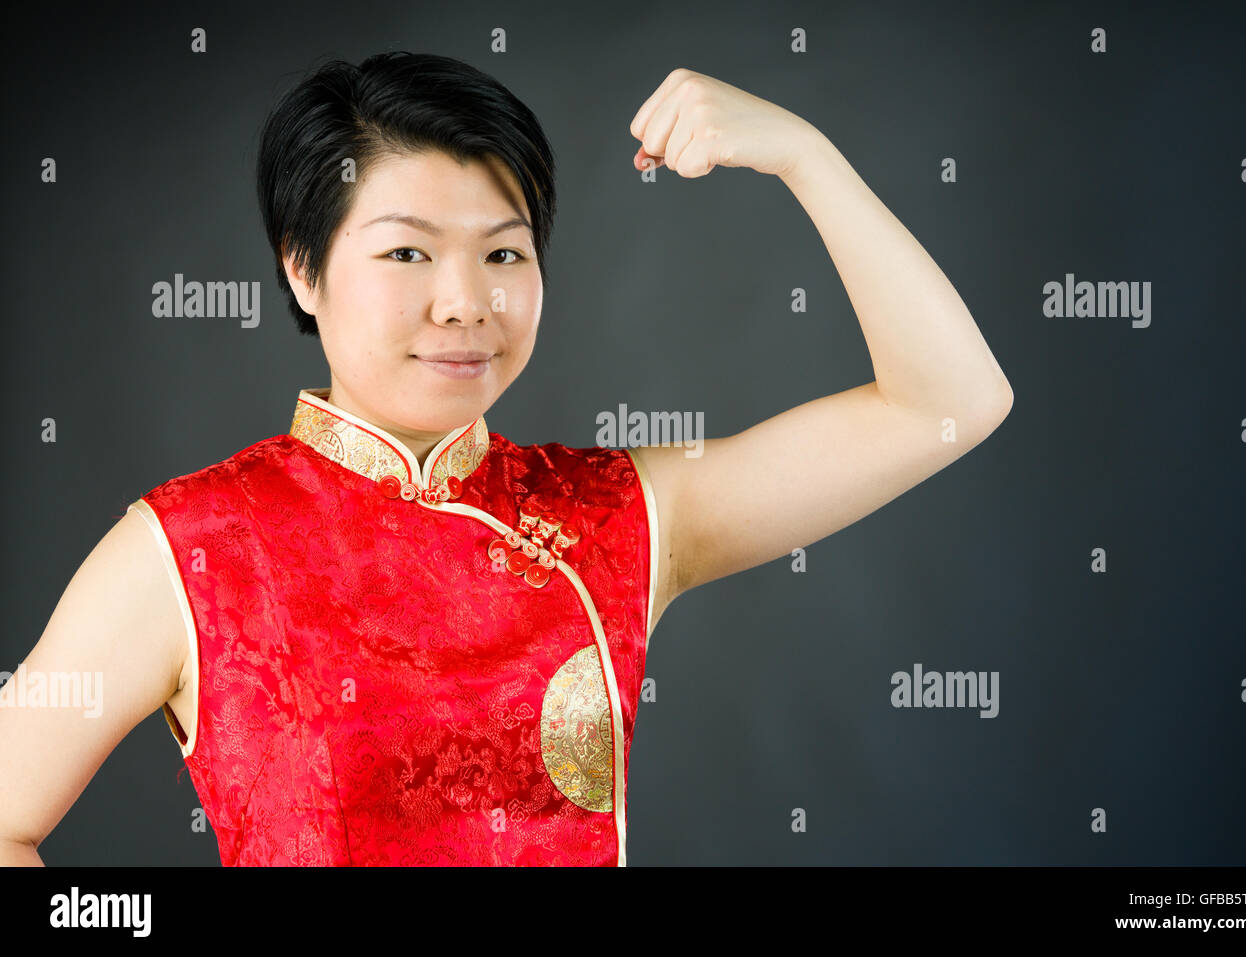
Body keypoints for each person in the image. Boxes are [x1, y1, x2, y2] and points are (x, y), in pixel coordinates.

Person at [0, 53, 1013, 866]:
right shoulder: (191, 547)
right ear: (302, 270)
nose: (465, 302)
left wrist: (805, 154)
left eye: (503, 252)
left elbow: (949, 402)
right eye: (406, 252)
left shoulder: (617, 515)